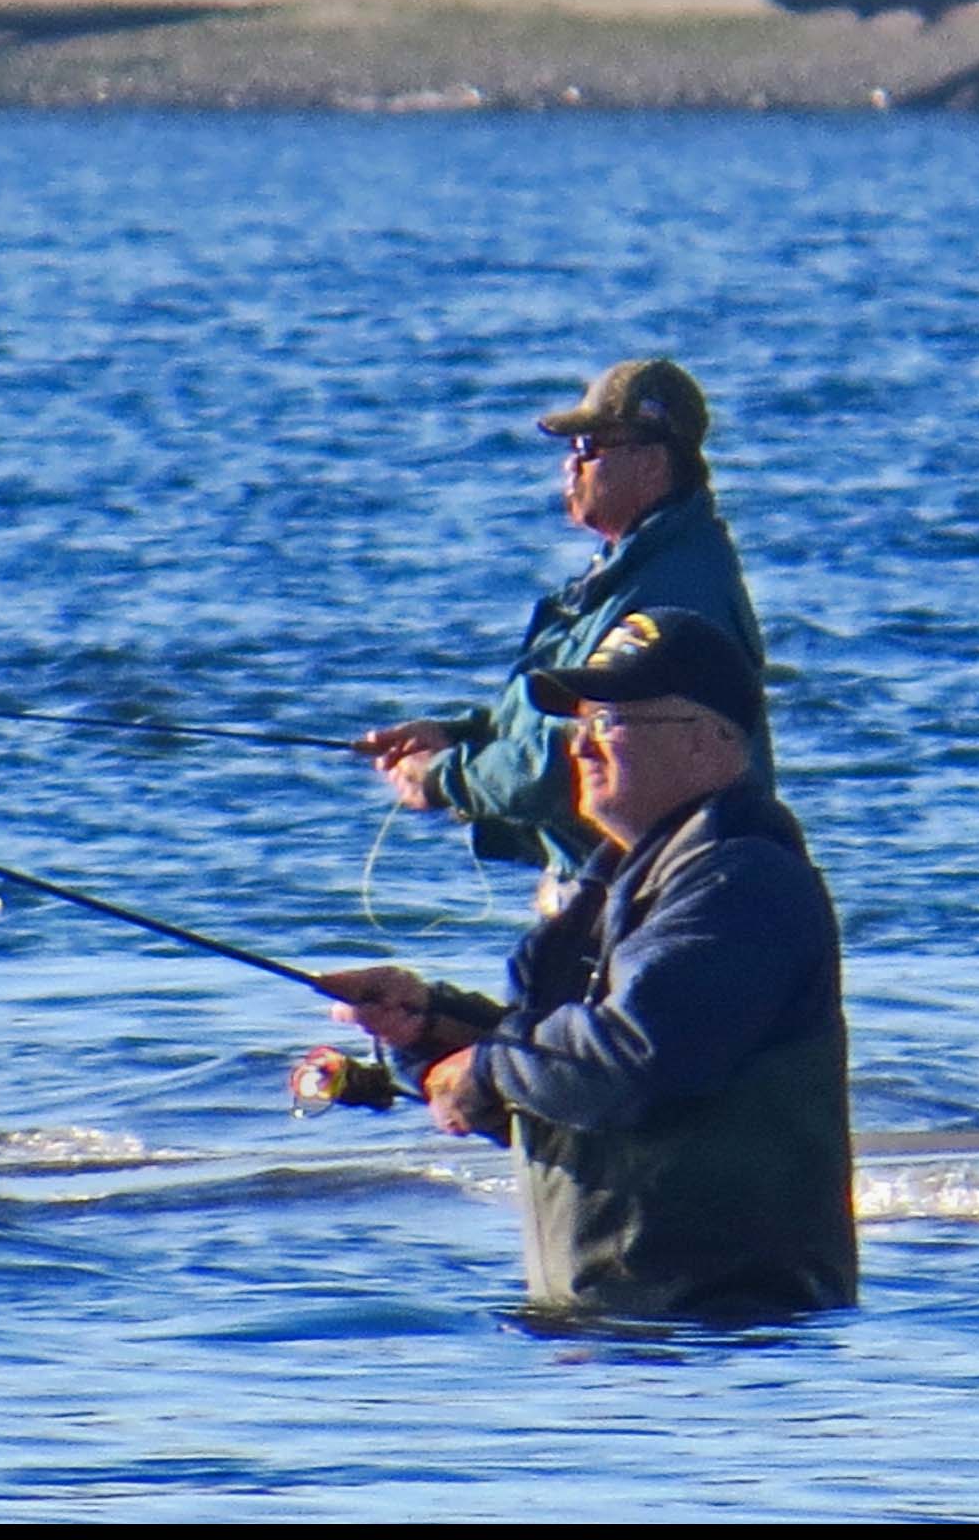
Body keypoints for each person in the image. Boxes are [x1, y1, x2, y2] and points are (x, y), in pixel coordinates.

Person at [322, 607, 858, 1321]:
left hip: (727, 1338)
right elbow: (560, 1077)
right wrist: (430, 1030)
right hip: (611, 1335)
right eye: (576, 726)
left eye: (609, 722)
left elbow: (632, 1058)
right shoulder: (607, 895)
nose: (580, 747)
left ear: (708, 744)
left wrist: (484, 1066)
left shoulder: (743, 882)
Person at [356, 358, 772, 886]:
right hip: (614, 884)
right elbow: (573, 709)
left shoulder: (674, 592)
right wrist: (458, 734)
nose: (569, 468)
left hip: (666, 884)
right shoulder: (632, 572)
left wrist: (444, 777)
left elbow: (575, 756)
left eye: (588, 450)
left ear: (650, 463)